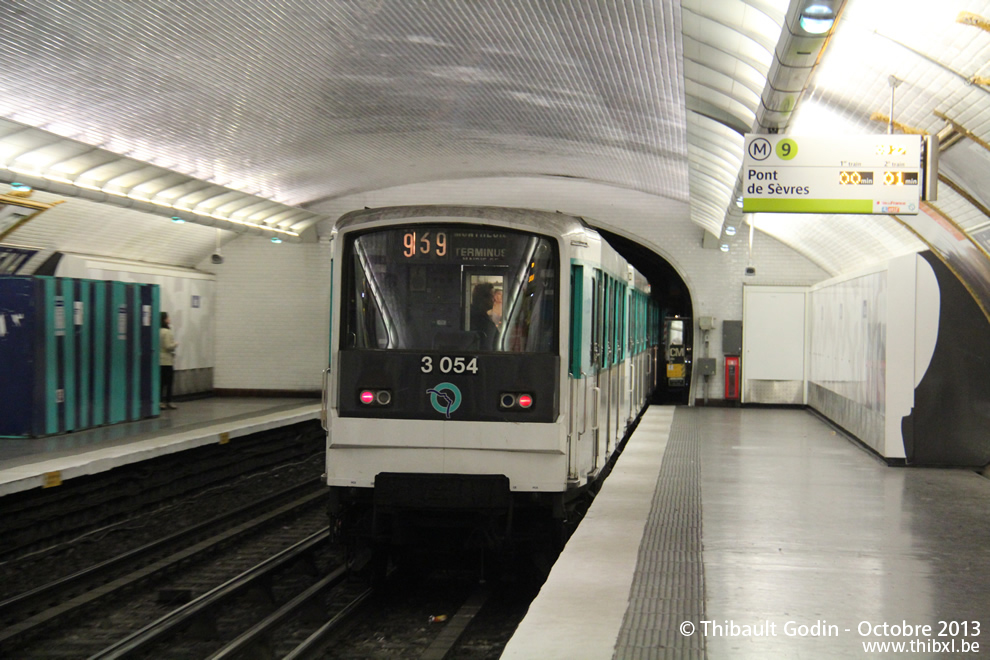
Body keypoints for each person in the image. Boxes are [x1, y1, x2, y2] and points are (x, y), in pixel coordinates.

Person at [470, 282, 498, 351]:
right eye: (491, 296)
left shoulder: (473, 315)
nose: (494, 300)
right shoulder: (481, 321)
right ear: (483, 299)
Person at [160, 312, 178, 410]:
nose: (169, 319)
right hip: (167, 360)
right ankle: (168, 401)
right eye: (168, 317)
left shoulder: (157, 331)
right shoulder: (167, 332)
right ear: (164, 319)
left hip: (159, 360)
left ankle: (159, 401)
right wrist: (175, 344)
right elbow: (168, 346)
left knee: (161, 383)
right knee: (169, 382)